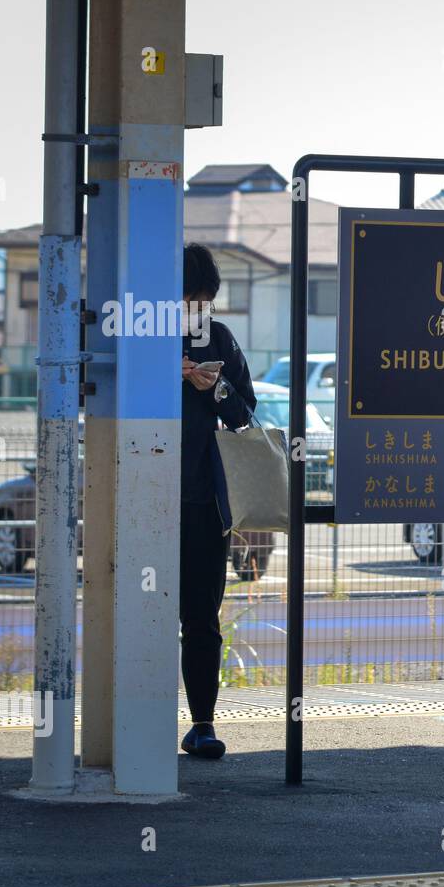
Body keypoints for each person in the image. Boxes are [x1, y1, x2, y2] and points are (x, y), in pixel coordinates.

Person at [178, 243, 257, 760]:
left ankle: (203, 724)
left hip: (205, 502)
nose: (198, 310)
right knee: (138, 614)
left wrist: (216, 387)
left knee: (202, 617)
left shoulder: (222, 340)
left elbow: (245, 415)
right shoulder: (141, 336)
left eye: (205, 300)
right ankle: (134, 719)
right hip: (144, 498)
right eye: (189, 298)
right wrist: (172, 372)